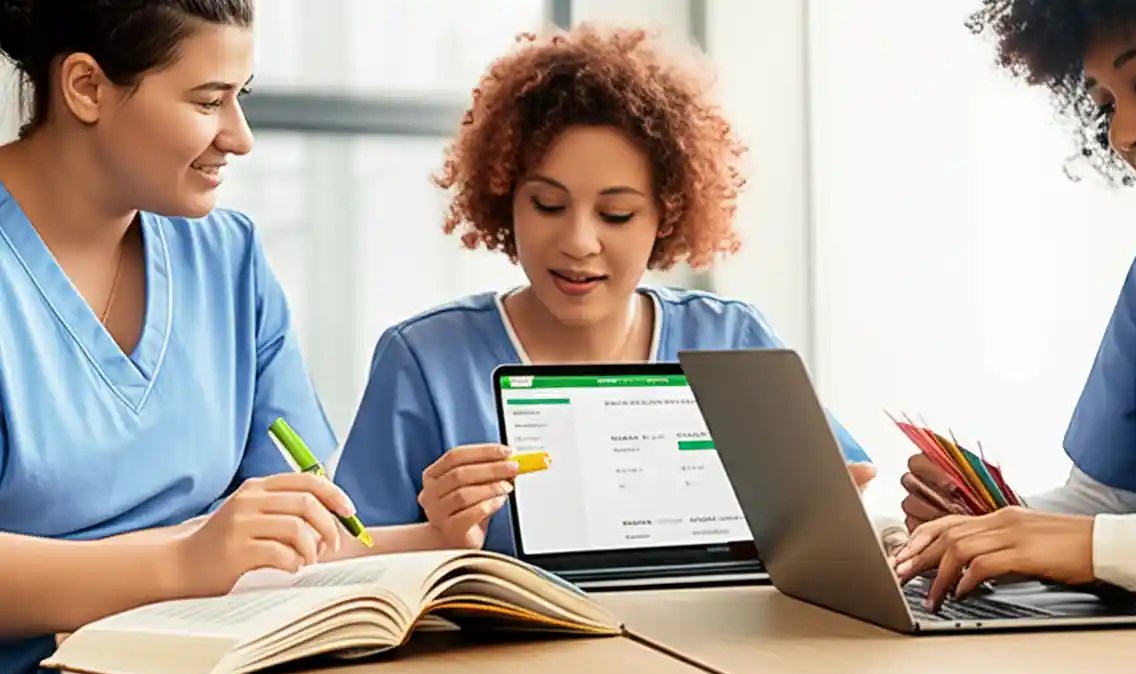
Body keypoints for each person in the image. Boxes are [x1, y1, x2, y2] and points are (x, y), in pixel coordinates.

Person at [333, 24, 879, 555]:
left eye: (616, 214)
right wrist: (434, 540)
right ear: (505, 199)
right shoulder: (426, 359)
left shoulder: (729, 338)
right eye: (547, 205)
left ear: (667, 215)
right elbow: (346, 555)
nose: (578, 242)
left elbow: (851, 508)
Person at [0, 2, 374, 674]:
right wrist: (184, 561)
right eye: (209, 101)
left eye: (243, 97)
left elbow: (294, 522)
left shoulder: (230, 262)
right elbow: (213, 550)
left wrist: (440, 540)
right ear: (85, 87)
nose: (240, 137)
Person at [893, 0, 1136, 618]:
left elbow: (1106, 541)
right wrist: (990, 526)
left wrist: (1092, 545)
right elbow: (1109, 508)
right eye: (1107, 105)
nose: (1123, 135)